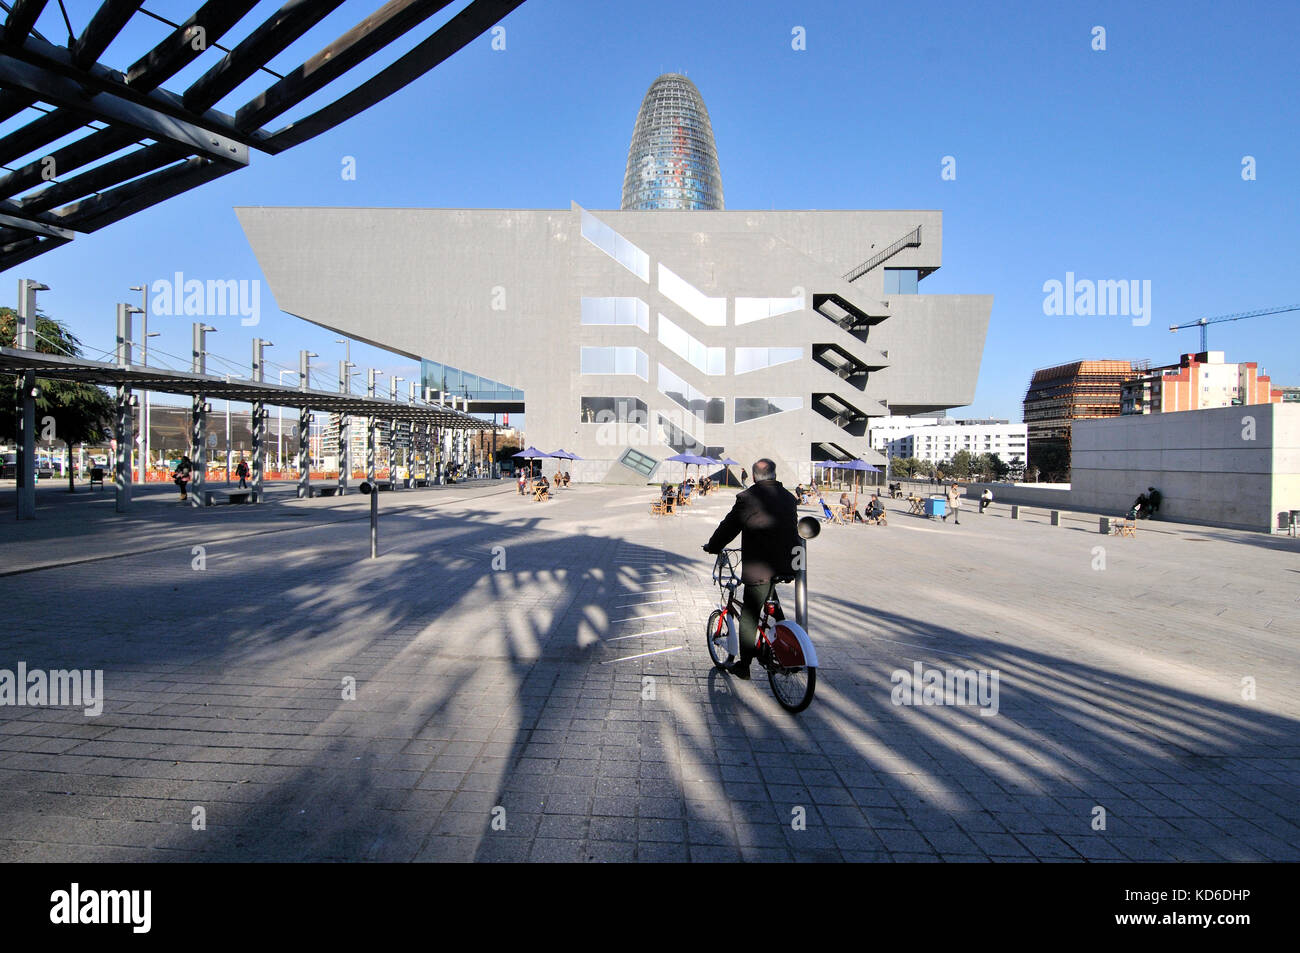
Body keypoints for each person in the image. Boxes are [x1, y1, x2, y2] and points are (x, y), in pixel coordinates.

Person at [702, 458, 799, 680]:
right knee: (770, 601)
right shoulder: (788, 497)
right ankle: (786, 639)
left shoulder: (748, 498)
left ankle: (744, 666)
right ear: (774, 474)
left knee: (749, 616)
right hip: (788, 564)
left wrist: (713, 546)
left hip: (760, 567)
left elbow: (730, 526)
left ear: (754, 476)